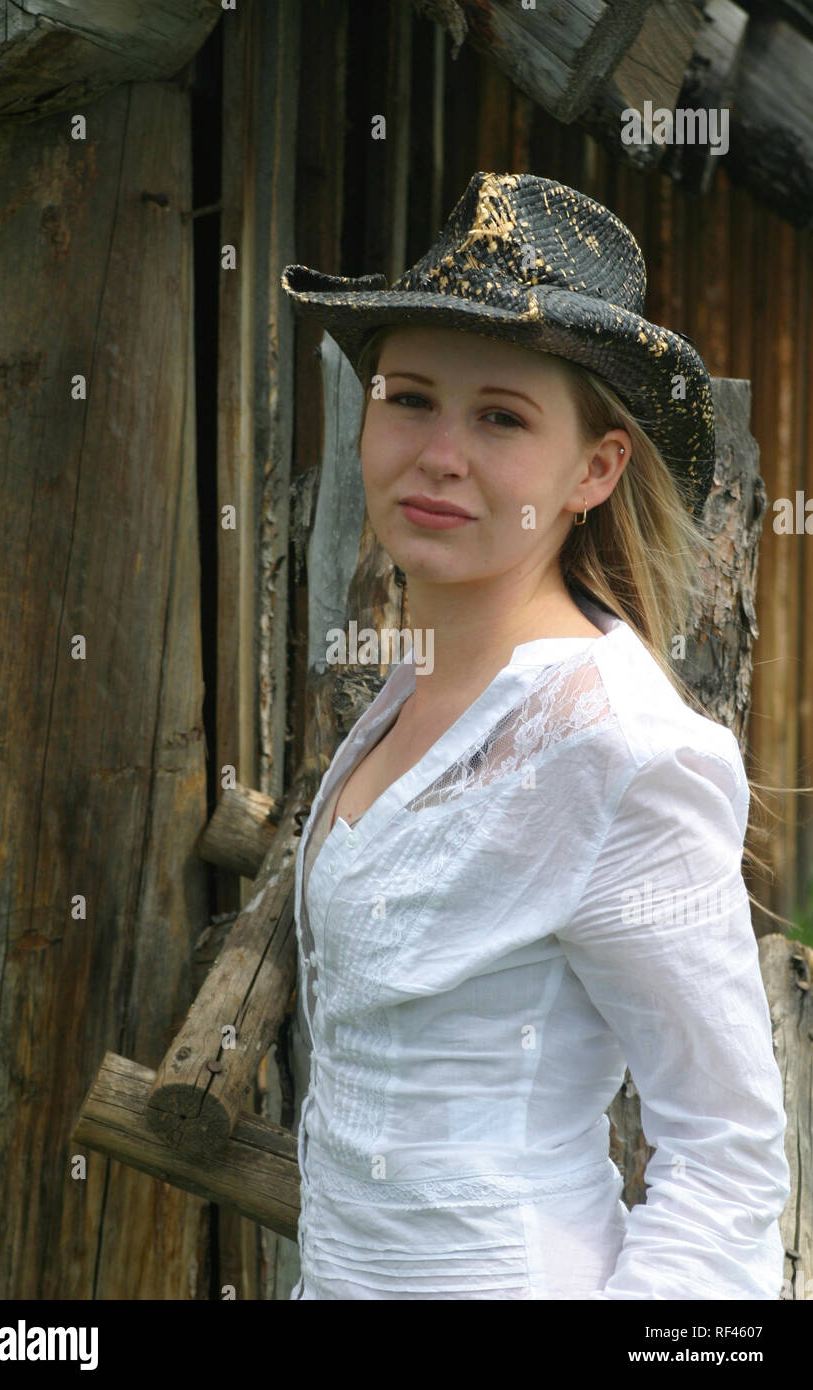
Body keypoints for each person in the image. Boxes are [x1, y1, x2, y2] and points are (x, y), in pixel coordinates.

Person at [278, 171, 791, 1299]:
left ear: (594, 469)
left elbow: (727, 1159)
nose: (439, 452)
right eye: (407, 397)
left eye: (500, 416)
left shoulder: (620, 749)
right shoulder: (411, 694)